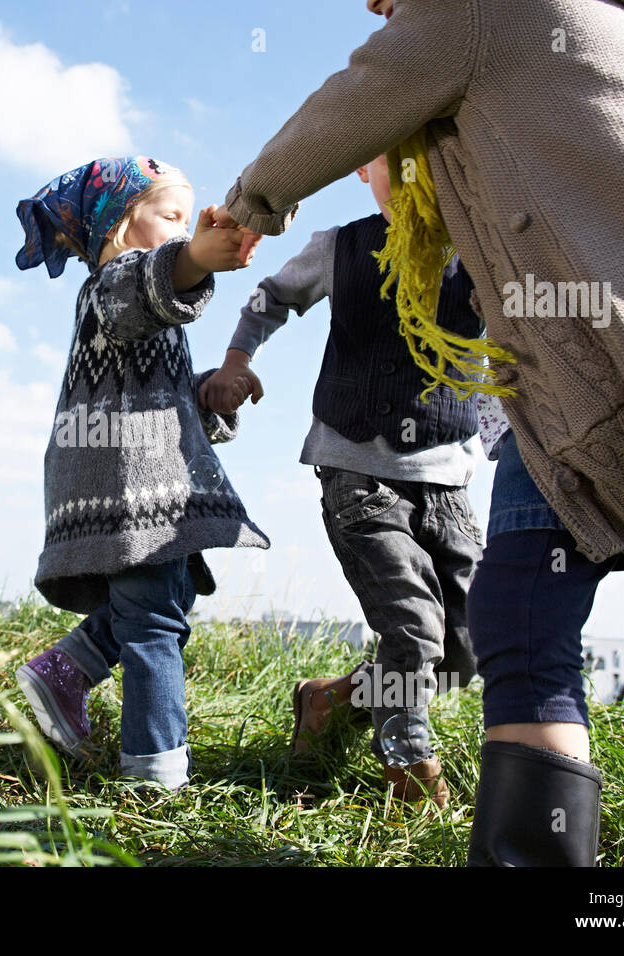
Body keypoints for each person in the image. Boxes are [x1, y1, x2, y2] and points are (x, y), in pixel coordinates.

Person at [213, 0, 624, 863]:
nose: (372, 5)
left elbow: (357, 96)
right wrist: (239, 353)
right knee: (506, 617)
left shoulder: (481, 8)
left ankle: (346, 707)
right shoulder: (578, 34)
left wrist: (245, 206)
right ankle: (478, 810)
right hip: (550, 417)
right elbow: (287, 285)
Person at [202, 154, 483, 808]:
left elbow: (527, 335)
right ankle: (412, 782)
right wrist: (239, 359)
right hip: (358, 472)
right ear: (363, 165)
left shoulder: (482, 248)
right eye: (397, 156)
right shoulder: (342, 246)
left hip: (448, 481)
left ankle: (328, 699)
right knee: (412, 633)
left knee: (463, 649)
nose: (416, 170)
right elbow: (271, 297)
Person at [12, 156, 269, 789]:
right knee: (155, 619)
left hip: (142, 483)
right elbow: (164, 276)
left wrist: (209, 391)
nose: (184, 230)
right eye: (172, 216)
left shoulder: (136, 305)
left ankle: (67, 667)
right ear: (122, 226)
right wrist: (201, 254)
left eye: (189, 219)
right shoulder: (114, 286)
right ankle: (154, 773)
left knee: (169, 599)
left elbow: (164, 390)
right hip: (126, 486)